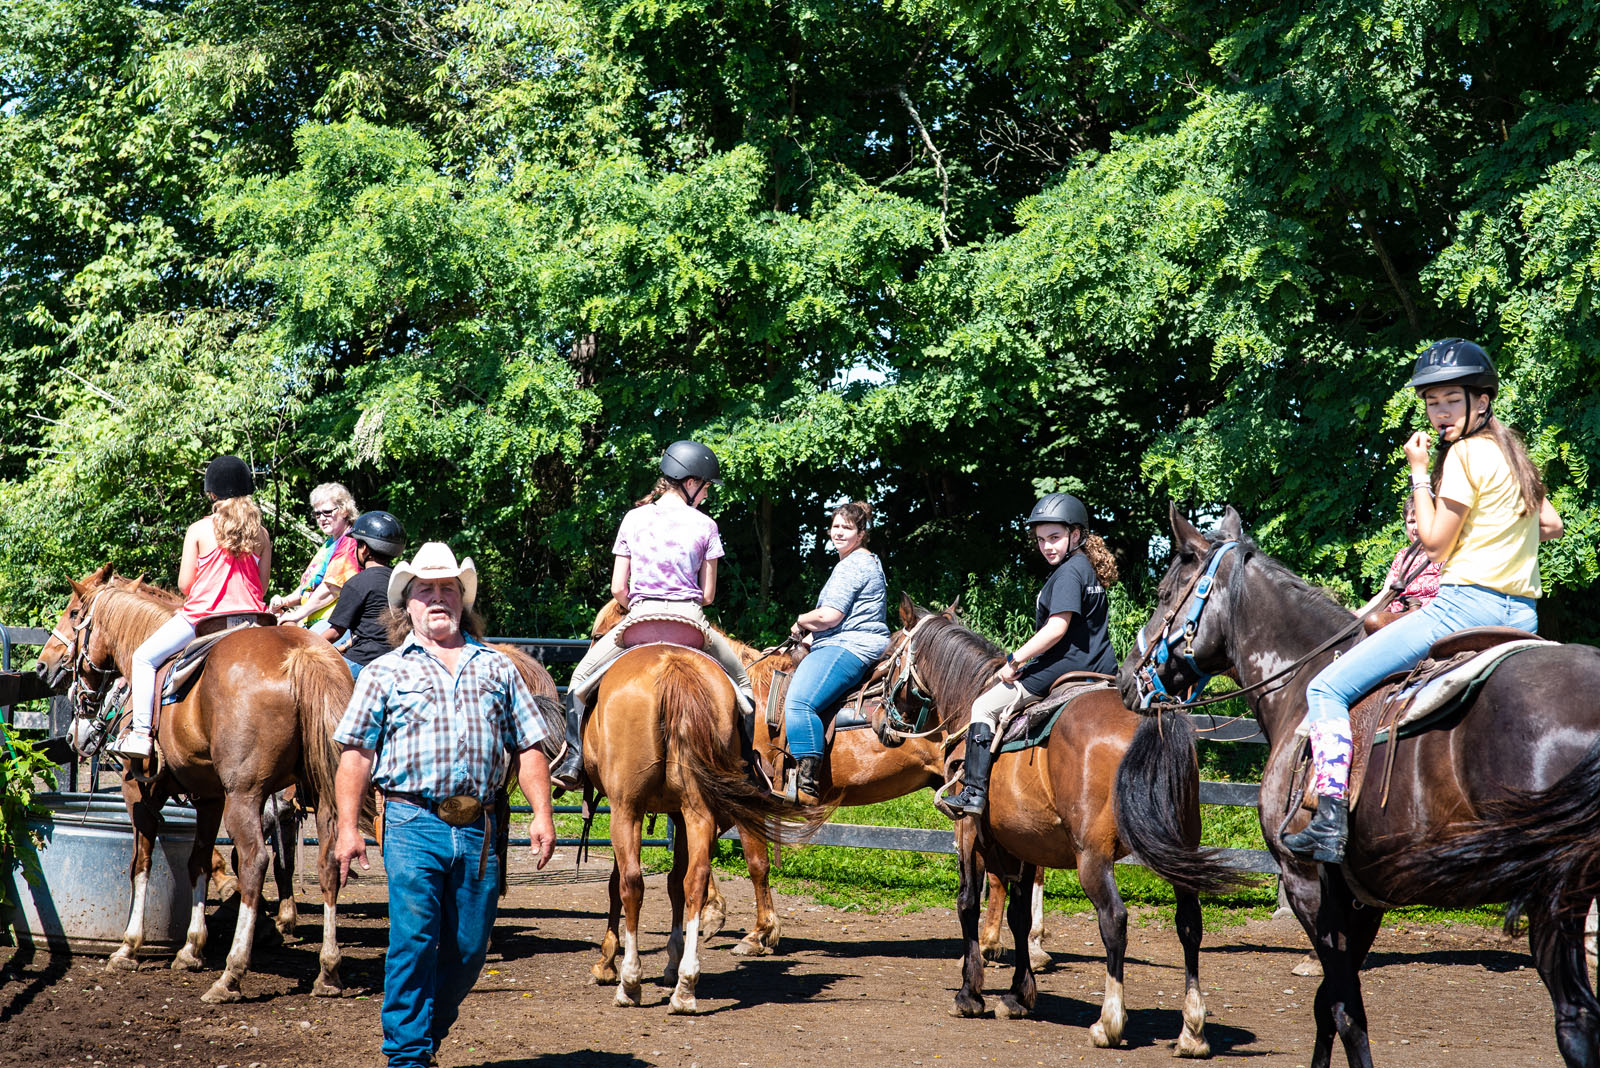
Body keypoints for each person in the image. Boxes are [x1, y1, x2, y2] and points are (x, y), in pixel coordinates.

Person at [1284, 338, 1564, 864]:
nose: (1440, 414)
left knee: (1325, 689)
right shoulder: (1515, 454)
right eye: (1433, 402)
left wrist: (1418, 470)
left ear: (1482, 401)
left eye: (1451, 401)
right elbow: (1551, 524)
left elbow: (1433, 542)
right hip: (1522, 616)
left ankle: (1328, 820)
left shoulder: (1459, 455)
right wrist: (1503, 534)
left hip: (1461, 609)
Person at [332, 541, 557, 1068]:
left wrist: (542, 813)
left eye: (448, 589)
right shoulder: (384, 672)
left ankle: (424, 1038)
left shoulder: (497, 669)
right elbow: (355, 755)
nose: (438, 598)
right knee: (413, 940)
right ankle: (406, 1057)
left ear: (463, 600)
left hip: (478, 826)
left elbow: (528, 746)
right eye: (426, 590)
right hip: (412, 820)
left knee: (469, 948)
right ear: (407, 604)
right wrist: (348, 827)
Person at [945, 492, 1119, 817]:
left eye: (1054, 537)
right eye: (1041, 540)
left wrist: (1014, 661)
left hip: (1063, 667)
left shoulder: (1068, 573)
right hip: (1103, 668)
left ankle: (973, 793)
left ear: (1076, 534)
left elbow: (1056, 628)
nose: (1047, 546)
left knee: (982, 706)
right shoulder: (1087, 568)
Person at [568, 440, 754, 711]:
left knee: (579, 679)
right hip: (691, 624)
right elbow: (708, 596)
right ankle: (747, 755)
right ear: (690, 483)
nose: (706, 496)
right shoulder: (707, 525)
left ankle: (573, 754)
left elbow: (618, 588)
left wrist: (644, 606)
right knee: (744, 685)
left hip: (640, 620)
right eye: (706, 488)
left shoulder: (632, 518)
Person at [110, 456, 272, 759]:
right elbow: (261, 588)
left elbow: (186, 584)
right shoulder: (261, 534)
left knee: (143, 658)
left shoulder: (199, 529)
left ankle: (141, 734)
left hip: (205, 619)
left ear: (212, 493)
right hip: (252, 621)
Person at [783, 501, 891, 804]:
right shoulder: (865, 561)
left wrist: (801, 621)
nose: (839, 532)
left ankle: (806, 784)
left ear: (861, 533)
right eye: (836, 526)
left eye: (847, 527)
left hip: (847, 646)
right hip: (852, 643)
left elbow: (831, 616)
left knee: (801, 703)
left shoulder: (853, 564)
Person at [323, 511, 407, 679]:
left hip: (363, 661)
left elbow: (335, 633)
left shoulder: (357, 583)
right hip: (398, 661)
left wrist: (304, 642)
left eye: (358, 544)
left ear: (365, 549)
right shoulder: (402, 581)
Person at [272, 482, 361, 634]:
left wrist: (296, 615)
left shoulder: (348, 542)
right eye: (317, 514)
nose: (322, 518)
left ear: (344, 511)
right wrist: (284, 601)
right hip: (316, 622)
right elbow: (309, 587)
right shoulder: (330, 543)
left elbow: (331, 589)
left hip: (335, 625)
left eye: (327, 512)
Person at [1381, 495, 1443, 615]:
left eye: (1421, 521)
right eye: (1411, 522)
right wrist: (1359, 614)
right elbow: (1385, 594)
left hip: (1428, 615)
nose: (1416, 528)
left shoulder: (1444, 553)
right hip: (1396, 616)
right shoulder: (1402, 556)